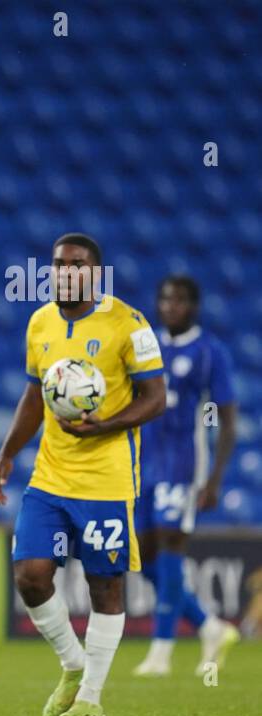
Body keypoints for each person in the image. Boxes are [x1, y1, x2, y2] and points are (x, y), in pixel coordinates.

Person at [0, 233, 166, 716]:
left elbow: (156, 398)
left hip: (106, 481)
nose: (66, 272)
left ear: (95, 272)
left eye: (78, 264)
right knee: (30, 575)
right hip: (49, 477)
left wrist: (102, 427)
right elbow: (33, 396)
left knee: (104, 585)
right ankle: (72, 664)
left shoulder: (128, 325)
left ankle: (90, 696)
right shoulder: (40, 321)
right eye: (59, 264)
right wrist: (7, 453)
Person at [132, 275, 239, 676]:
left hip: (183, 464)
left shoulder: (211, 352)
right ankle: (209, 626)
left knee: (170, 542)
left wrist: (213, 480)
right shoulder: (147, 346)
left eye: (178, 300)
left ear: (194, 306)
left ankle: (161, 652)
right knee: (142, 557)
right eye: (164, 299)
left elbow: (227, 421)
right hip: (145, 464)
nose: (169, 306)